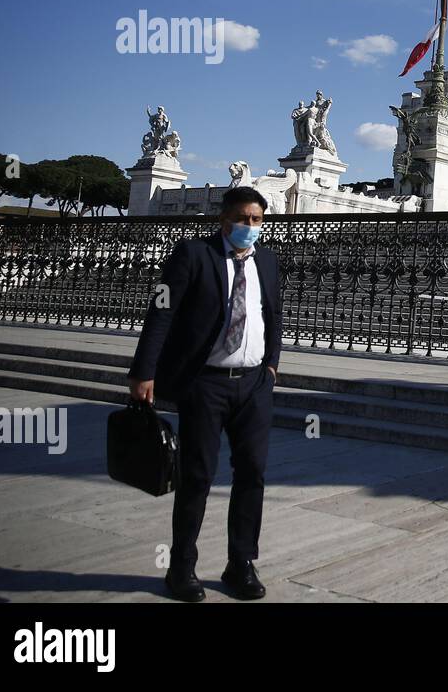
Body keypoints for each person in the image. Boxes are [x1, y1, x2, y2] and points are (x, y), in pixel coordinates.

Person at [127, 186, 282, 602]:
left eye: (256, 220)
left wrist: (271, 364)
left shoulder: (266, 261)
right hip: (206, 383)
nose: (249, 226)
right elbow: (162, 312)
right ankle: (181, 568)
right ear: (223, 220)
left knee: (252, 474)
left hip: (253, 384)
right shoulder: (193, 254)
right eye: (242, 218)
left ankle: (240, 564)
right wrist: (144, 372)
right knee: (197, 476)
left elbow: (274, 313)